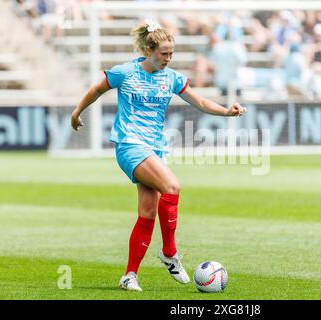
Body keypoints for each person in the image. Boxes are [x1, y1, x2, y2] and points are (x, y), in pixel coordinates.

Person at [70, 20, 246, 292]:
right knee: (172, 186)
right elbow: (96, 90)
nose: (168, 58)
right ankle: (169, 252)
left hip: (154, 149)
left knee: (148, 213)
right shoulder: (125, 72)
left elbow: (199, 102)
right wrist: (76, 112)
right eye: (164, 53)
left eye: (171, 54)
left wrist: (227, 111)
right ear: (149, 50)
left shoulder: (171, 78)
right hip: (129, 145)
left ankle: (129, 275)